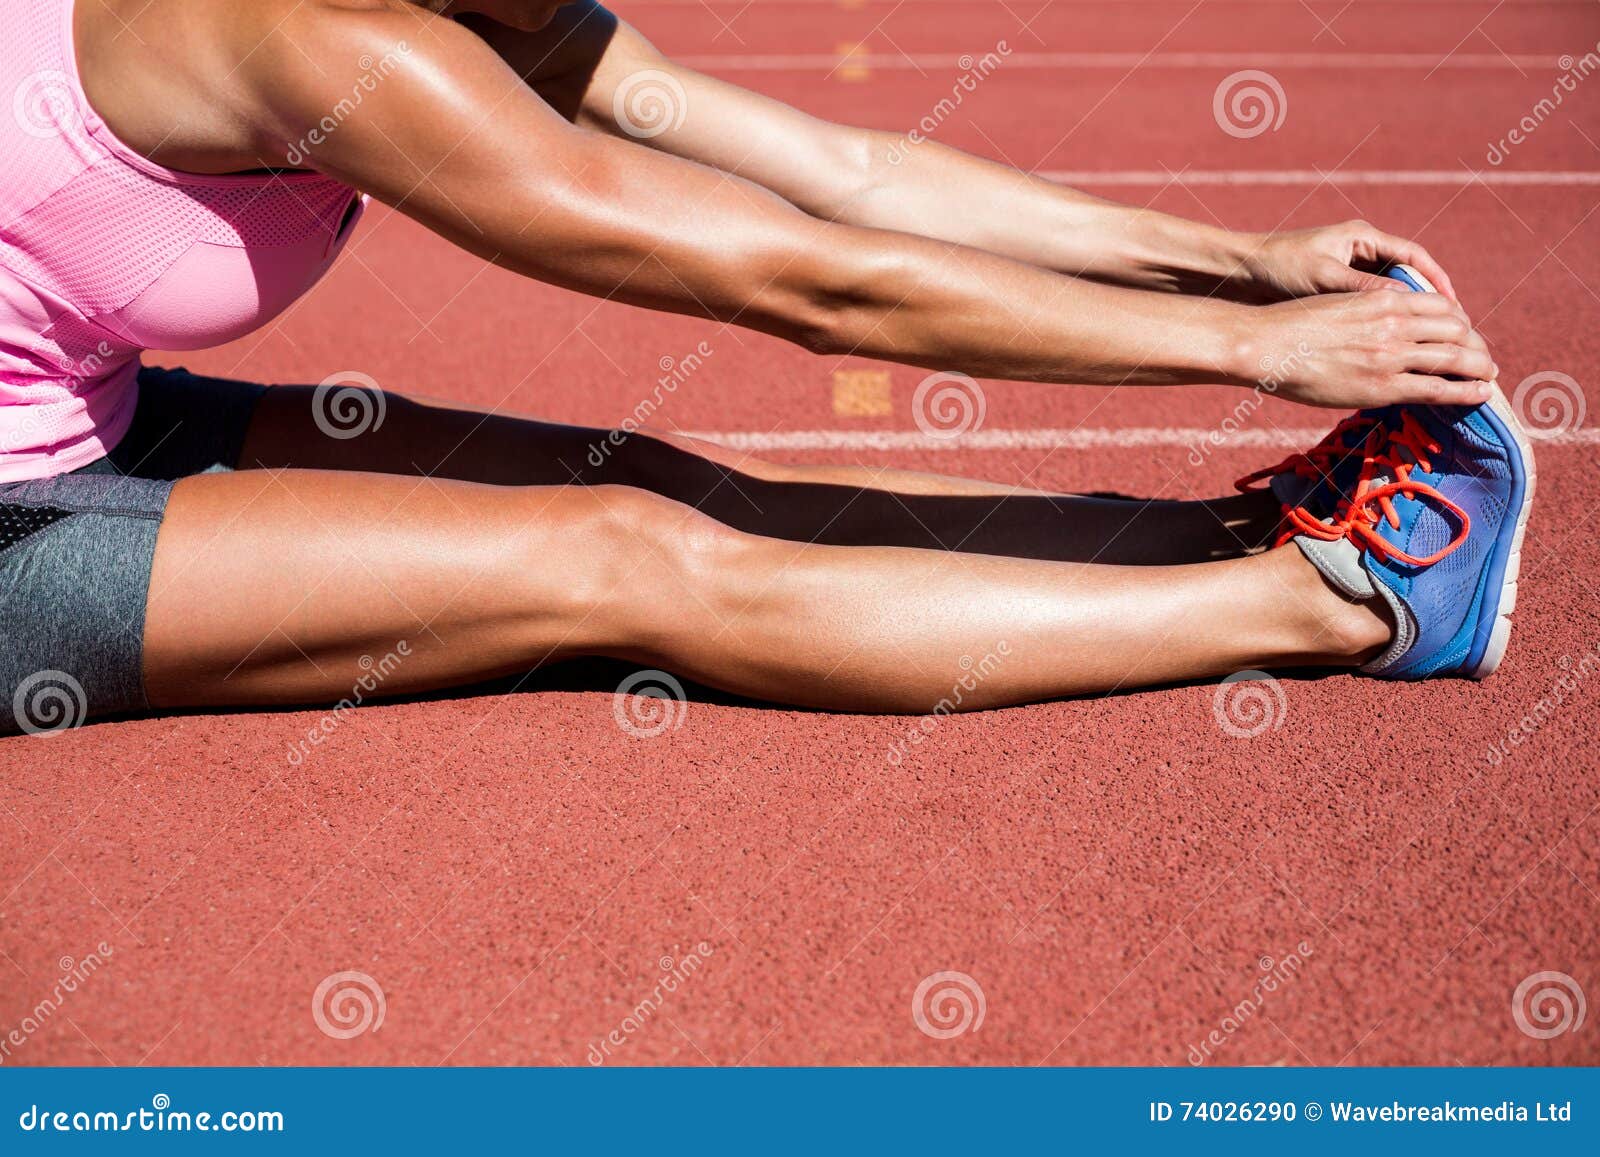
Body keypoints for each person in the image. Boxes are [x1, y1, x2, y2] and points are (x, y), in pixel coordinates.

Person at [0, 0, 1530, 734]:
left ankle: (1245, 532)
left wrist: (1237, 262)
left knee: (659, 473)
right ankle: (1344, 605)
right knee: (625, 552)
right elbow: (800, 279)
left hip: (109, 409)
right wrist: (1248, 352)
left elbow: (841, 174)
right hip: (22, 524)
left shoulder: (506, 8)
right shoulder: (320, 42)